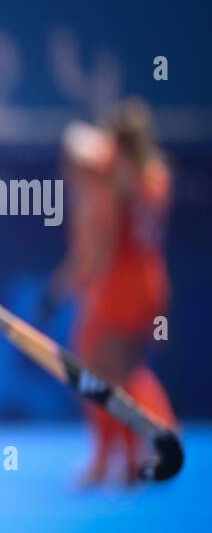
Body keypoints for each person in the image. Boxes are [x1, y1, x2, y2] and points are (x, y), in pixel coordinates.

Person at [48, 103, 177, 485]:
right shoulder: (157, 177)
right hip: (152, 287)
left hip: (118, 292)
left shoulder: (112, 187)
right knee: (129, 374)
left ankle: (115, 459)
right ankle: (144, 448)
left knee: (99, 379)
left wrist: (69, 289)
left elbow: (97, 250)